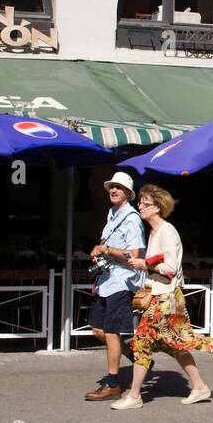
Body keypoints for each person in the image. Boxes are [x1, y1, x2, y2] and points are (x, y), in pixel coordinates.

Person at [111, 184, 213, 410]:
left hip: (165, 298)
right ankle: (199, 387)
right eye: (140, 202)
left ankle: (135, 395)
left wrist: (144, 264)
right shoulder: (155, 232)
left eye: (145, 203)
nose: (140, 206)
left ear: (158, 207)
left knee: (142, 342)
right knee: (175, 346)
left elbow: (170, 268)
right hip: (161, 295)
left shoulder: (167, 231)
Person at [85, 171, 145, 402]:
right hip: (106, 281)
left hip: (121, 281)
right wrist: (98, 249)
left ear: (128, 193)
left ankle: (112, 384)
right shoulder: (112, 214)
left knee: (111, 332)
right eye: (111, 186)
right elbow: (106, 242)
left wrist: (107, 250)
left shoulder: (132, 218)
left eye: (119, 188)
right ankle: (138, 356)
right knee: (98, 330)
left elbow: (135, 255)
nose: (113, 190)